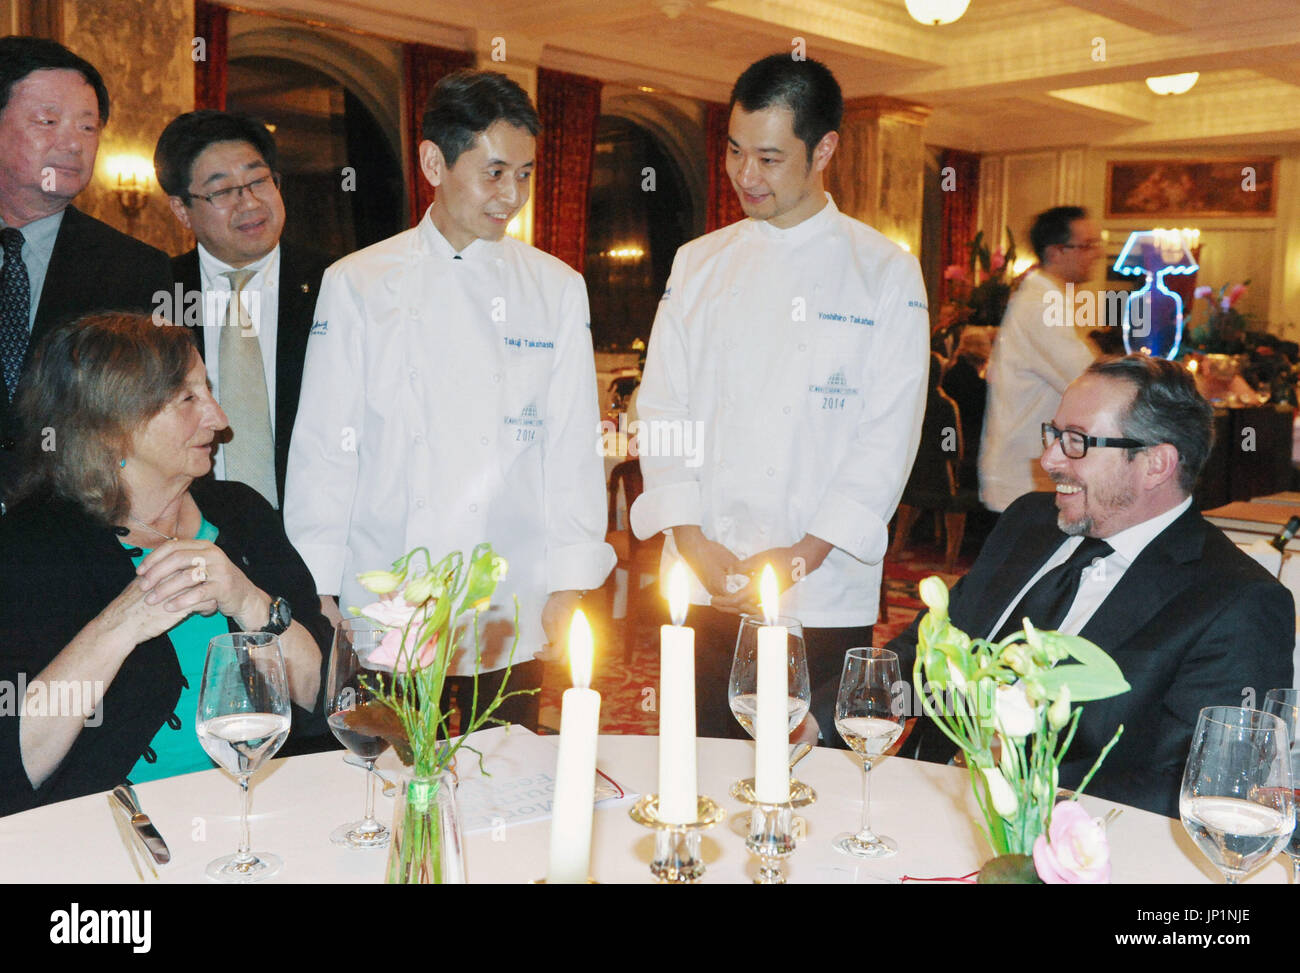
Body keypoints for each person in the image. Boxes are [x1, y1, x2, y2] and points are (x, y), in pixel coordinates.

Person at [285, 71, 613, 731]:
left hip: (512, 588)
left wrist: (569, 582)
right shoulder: (357, 283)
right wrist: (318, 589)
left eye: (523, 174)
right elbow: (325, 449)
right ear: (435, 161)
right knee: (393, 776)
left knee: (510, 773)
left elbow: (572, 448)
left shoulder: (556, 287)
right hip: (389, 586)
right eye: (493, 173)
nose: (511, 195)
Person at [630, 53, 929, 744]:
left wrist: (805, 550)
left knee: (803, 771)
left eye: (768, 157)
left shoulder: (882, 270)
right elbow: (664, 406)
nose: (744, 175)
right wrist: (689, 532)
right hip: (704, 574)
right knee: (696, 762)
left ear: (823, 149)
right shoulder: (699, 262)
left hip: (820, 590)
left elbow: (888, 434)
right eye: (734, 151)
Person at [889, 355, 1294, 817]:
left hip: (1064, 842)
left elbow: (1206, 787)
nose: (1048, 459)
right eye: (1054, 434)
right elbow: (929, 645)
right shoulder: (1029, 520)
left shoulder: (1235, 602)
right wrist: (824, 717)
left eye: (1076, 442)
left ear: (1156, 463)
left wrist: (1021, 780)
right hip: (910, 800)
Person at [0, 314, 331, 816]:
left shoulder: (241, 514)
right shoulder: (33, 545)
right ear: (110, 426)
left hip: (267, 812)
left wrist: (249, 600)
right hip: (110, 837)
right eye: (187, 399)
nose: (219, 419)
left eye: (209, 391)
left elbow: (330, 701)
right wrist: (121, 624)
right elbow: (16, 761)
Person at [0, 36, 171, 509]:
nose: (72, 142)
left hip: (70, 531)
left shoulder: (137, 270)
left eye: (88, 126)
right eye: (47, 121)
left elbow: (145, 424)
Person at [154, 110, 332, 510]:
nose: (249, 202)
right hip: (189, 526)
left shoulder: (337, 284)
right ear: (182, 209)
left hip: (319, 523)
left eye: (257, 181)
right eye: (221, 192)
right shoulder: (154, 293)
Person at [979, 206, 1100, 512]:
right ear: (1056, 252)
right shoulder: (1041, 304)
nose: (1095, 254)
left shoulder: (1053, 299)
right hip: (1027, 474)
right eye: (1085, 245)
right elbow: (1090, 381)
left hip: (1038, 468)